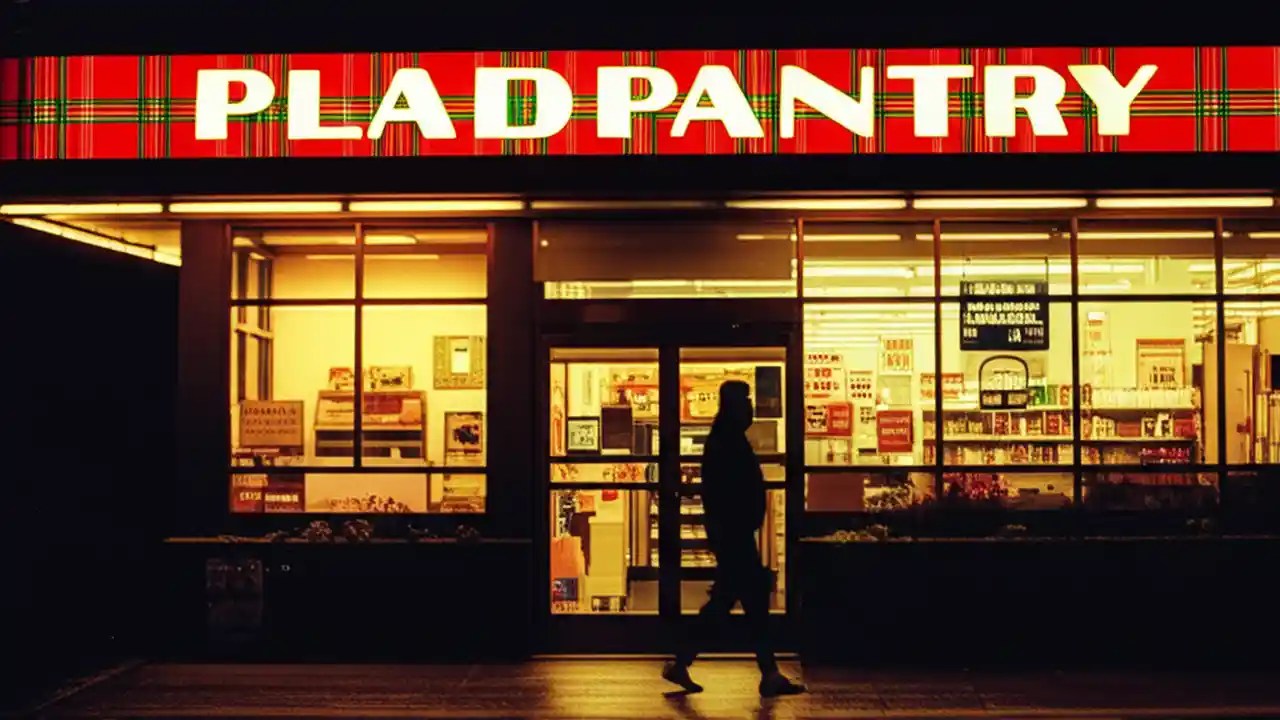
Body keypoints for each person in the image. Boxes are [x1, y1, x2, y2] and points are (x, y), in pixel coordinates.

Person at [662, 380, 805, 698]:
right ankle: (765, 673)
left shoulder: (723, 439)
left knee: (733, 601)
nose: (751, 407)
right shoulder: (729, 442)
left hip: (731, 533)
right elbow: (731, 491)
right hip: (735, 534)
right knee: (746, 601)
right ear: (735, 406)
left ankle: (685, 660)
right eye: (747, 400)